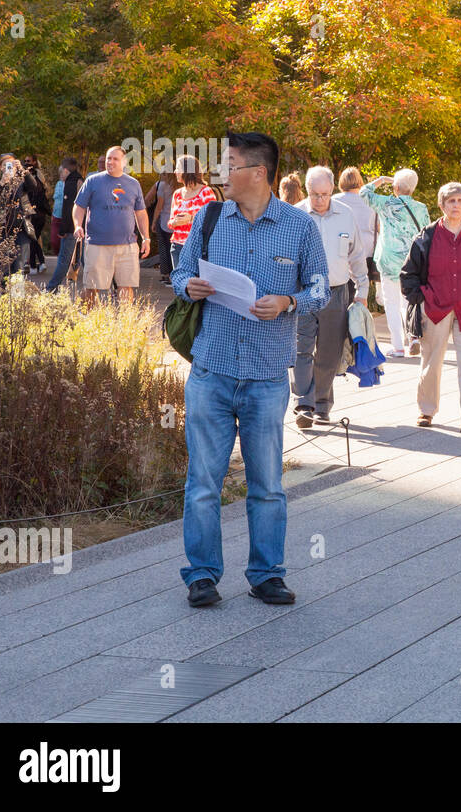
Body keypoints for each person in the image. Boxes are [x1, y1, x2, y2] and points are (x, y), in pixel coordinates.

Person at [171, 131, 330, 608]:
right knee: (203, 482)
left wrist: (288, 301)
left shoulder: (299, 228)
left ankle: (267, 574)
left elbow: (321, 287)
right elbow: (178, 273)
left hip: (264, 377)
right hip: (211, 370)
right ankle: (202, 575)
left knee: (267, 485)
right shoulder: (209, 217)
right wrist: (190, 286)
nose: (223, 173)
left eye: (231, 164)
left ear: (258, 173)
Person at [400, 181, 461, 434]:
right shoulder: (426, 237)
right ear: (442, 205)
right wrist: (421, 298)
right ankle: (427, 410)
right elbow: (407, 274)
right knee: (432, 361)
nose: (456, 205)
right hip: (435, 307)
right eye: (451, 201)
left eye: (460, 201)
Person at [292, 166, 368, 428]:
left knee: (329, 352)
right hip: (302, 291)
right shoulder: (295, 215)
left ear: (333, 190)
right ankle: (303, 403)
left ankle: (322, 405)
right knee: (301, 348)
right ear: (306, 189)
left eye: (325, 194)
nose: (320, 200)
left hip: (336, 291)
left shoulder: (346, 216)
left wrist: (363, 290)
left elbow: (357, 255)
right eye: (315, 194)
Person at [362, 168, 431, 357]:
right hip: (411, 261)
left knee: (391, 303)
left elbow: (364, 192)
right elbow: (426, 232)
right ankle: (413, 336)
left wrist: (382, 179)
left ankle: (398, 347)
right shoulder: (421, 207)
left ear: (396, 186)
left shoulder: (386, 204)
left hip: (390, 261)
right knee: (408, 301)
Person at [71, 146, 150, 306]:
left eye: (115, 159)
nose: (110, 162)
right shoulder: (93, 181)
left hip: (127, 246)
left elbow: (141, 213)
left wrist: (146, 238)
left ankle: (124, 324)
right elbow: (79, 207)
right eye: (108, 158)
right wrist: (78, 225)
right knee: (92, 287)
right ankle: (88, 321)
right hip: (97, 245)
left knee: (126, 287)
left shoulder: (133, 184)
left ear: (124, 162)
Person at [333, 166, 379, 301]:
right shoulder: (370, 200)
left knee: (344, 287)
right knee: (361, 287)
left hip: (342, 249)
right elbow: (377, 228)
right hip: (367, 249)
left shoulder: (334, 200)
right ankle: (358, 314)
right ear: (359, 181)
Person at [167, 154, 216, 270]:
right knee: (179, 285)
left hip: (198, 247)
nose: (175, 172)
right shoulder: (177, 194)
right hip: (177, 247)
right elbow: (170, 223)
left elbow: (213, 221)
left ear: (187, 171)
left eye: (177, 168)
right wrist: (175, 222)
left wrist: (190, 219)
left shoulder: (206, 192)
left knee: (196, 286)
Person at [43, 158, 83, 292]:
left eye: (61, 174)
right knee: (79, 258)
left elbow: (68, 208)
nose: (61, 177)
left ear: (66, 171)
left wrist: (63, 229)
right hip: (81, 226)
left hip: (72, 228)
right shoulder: (80, 180)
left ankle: (51, 288)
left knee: (64, 259)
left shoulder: (71, 183)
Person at [145, 161, 179, 286]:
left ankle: (166, 275)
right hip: (178, 222)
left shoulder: (161, 185)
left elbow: (157, 206)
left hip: (164, 220)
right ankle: (176, 275)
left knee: (164, 248)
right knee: (176, 249)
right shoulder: (181, 186)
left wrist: (153, 221)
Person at [21, 155, 48, 273]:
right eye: (25, 161)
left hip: (36, 213)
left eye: (29, 161)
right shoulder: (38, 177)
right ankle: (40, 263)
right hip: (35, 212)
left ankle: (33, 265)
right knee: (34, 238)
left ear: (35, 162)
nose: (27, 163)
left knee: (32, 238)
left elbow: (36, 194)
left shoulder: (37, 178)